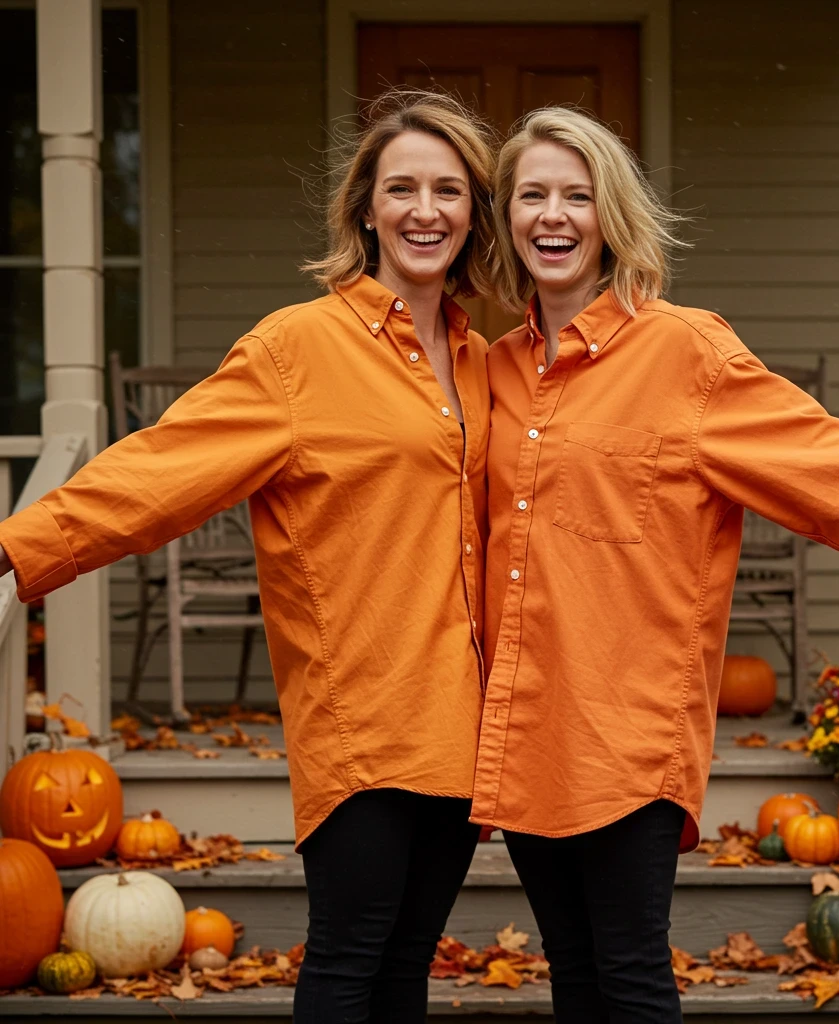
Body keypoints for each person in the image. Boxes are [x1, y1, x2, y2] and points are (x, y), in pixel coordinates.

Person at [475, 105, 839, 1024]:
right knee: (570, 973)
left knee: (630, 975)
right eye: (532, 195)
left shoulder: (685, 352)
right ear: (507, 217)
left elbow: (823, 462)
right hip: (522, 726)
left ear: (611, 217)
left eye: (578, 195)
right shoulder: (488, 368)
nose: (553, 216)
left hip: (628, 728)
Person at [0, 89, 496, 1023]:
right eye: (402, 188)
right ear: (365, 207)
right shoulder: (297, 351)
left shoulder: (482, 361)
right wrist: (13, 545)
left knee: (407, 968)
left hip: (464, 716)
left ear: (474, 212)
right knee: (351, 962)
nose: (425, 209)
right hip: (362, 713)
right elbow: (158, 471)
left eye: (449, 189)